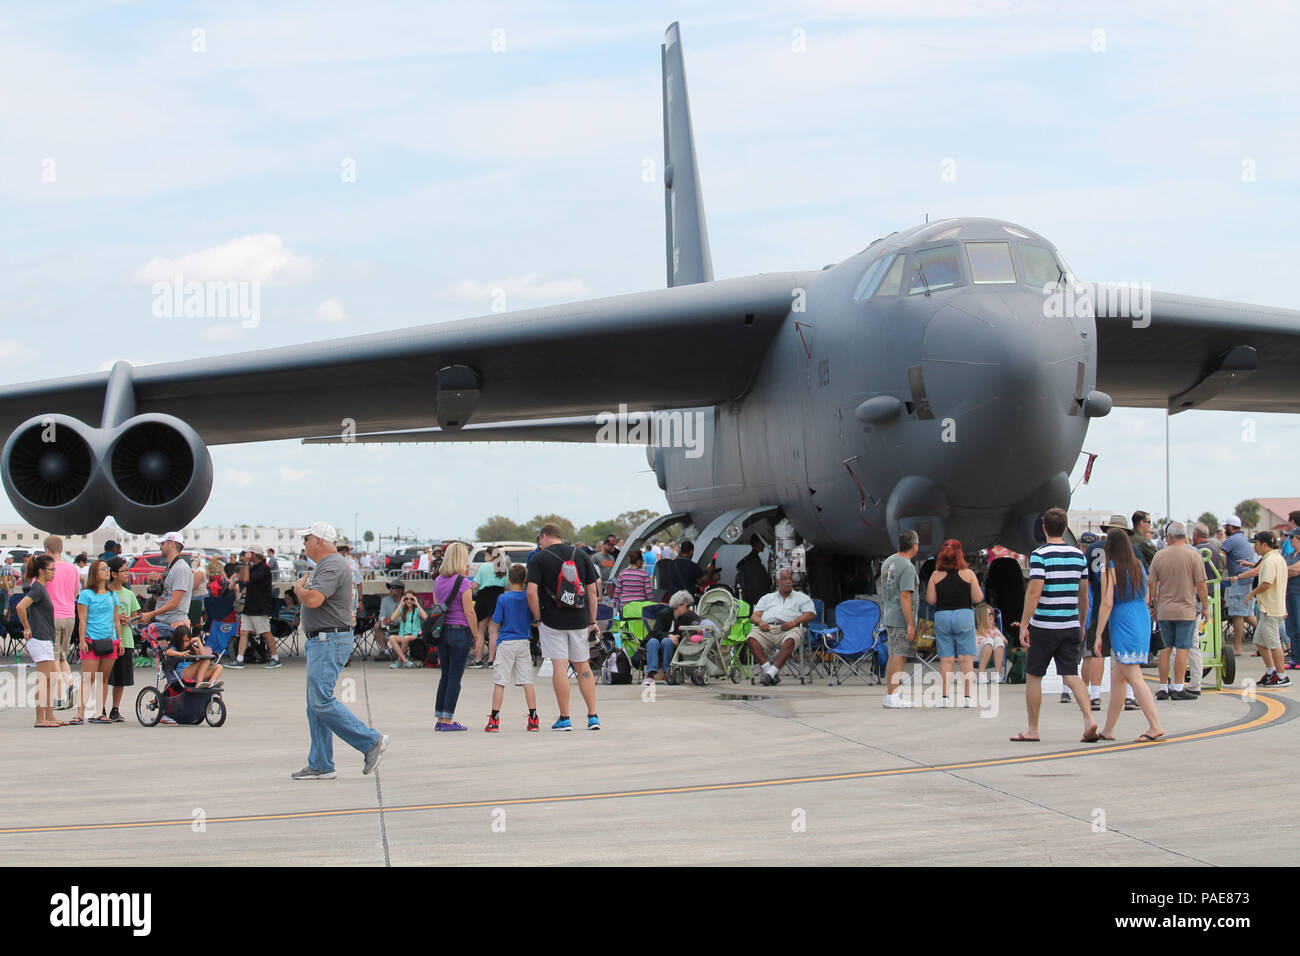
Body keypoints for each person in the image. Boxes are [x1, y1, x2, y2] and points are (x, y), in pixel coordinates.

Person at [291, 522, 388, 780]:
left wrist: (299, 589)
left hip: (328, 639)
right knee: (316, 705)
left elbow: (314, 599)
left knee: (320, 701)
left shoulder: (332, 565)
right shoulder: (329, 565)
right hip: (325, 639)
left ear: (320, 541)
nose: (304, 543)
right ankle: (322, 764)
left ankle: (370, 741)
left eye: (307, 538)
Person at [1011, 507, 1097, 742]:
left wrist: (1025, 625)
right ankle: (1089, 718)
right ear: (1064, 527)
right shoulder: (1079, 556)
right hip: (1069, 624)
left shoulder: (1040, 555)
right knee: (1071, 674)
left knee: (1034, 675)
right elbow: (1084, 596)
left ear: (1044, 528)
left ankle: (1033, 729)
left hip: (1045, 626)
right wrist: (1081, 623)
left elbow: (1034, 593)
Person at [526, 523, 601, 731]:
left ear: (543, 537)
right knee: (582, 666)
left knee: (560, 666)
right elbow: (592, 591)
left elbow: (531, 592)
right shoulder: (581, 554)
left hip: (552, 620)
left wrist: (538, 617)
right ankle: (593, 716)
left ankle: (565, 718)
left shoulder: (538, 558)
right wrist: (592, 621)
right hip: (579, 620)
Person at [1094, 528, 1164, 741]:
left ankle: (1155, 725)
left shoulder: (1110, 568)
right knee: (1119, 677)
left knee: (1133, 675)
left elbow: (1107, 603)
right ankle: (1108, 729)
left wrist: (1098, 634)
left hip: (1122, 619)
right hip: (1140, 618)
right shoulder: (1138, 567)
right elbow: (1146, 598)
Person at [1148, 522, 1209, 701]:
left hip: (1165, 610)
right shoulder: (1193, 555)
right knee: (1183, 648)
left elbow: (1151, 582)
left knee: (1166, 648)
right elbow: (1201, 584)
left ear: (1169, 537)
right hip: (1186, 609)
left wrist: (1154, 603)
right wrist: (1205, 606)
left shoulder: (1159, 556)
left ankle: (1162, 687)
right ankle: (1178, 687)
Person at [1082, 515, 1136, 713]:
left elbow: (1085, 581)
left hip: (1098, 606)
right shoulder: (1132, 550)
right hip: (1124, 608)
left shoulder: (1093, 548)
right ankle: (1129, 695)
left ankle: (1095, 695)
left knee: (1098, 653)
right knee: (1125, 653)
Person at [926, 539, 983, 706]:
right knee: (966, 659)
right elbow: (978, 598)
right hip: (964, 615)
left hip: (942, 616)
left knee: (946, 659)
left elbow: (930, 599)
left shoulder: (935, 576)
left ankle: (944, 698)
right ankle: (967, 698)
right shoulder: (969, 574)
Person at [485, 564, 539, 732]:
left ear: (509, 579)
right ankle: (533, 717)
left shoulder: (503, 598)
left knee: (500, 681)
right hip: (523, 641)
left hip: (507, 641)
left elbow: (497, 619)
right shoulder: (528, 597)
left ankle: (494, 719)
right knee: (527, 681)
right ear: (525, 580)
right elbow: (533, 618)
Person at [431, 541, 479, 731]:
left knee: (445, 675)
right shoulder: (463, 582)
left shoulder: (438, 581)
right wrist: (476, 635)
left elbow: (437, 607)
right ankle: (448, 719)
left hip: (442, 632)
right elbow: (469, 612)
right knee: (455, 678)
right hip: (460, 630)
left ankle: (440, 717)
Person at [74, 559, 123, 725]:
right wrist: (82, 640)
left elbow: (116, 619)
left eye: (108, 569)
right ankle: (80, 713)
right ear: (95, 573)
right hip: (91, 640)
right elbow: (82, 618)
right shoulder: (86, 594)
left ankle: (99, 712)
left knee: (104, 678)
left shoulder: (111, 594)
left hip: (110, 641)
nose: (107, 571)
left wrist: (120, 639)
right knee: (89, 677)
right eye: (103, 569)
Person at [17, 554, 64, 728]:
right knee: (44, 679)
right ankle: (40, 718)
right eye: (51, 569)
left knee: (51, 679)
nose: (54, 573)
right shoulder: (37, 588)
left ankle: (49, 716)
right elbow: (20, 606)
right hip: (39, 638)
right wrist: (27, 627)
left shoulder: (41, 588)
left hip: (46, 638)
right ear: (41, 571)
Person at [748, 568, 815, 686]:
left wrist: (793, 623)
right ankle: (770, 672)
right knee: (751, 638)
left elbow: (810, 614)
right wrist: (761, 623)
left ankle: (770, 674)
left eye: (790, 579)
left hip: (789, 628)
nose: (788, 581)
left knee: (791, 639)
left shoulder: (801, 597)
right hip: (767, 628)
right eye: (785, 579)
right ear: (778, 581)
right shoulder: (767, 598)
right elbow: (754, 616)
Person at [1240, 532, 1290, 687]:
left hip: (1271, 609)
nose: (1255, 547)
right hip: (1271, 607)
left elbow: (1266, 583)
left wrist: (1251, 594)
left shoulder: (1269, 562)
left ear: (1264, 544)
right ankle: (1271, 671)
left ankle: (1282, 676)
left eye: (1257, 543)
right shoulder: (1278, 558)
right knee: (1259, 641)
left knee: (1274, 644)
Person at [880, 531, 919, 708]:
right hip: (901, 617)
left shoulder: (888, 562)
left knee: (893, 654)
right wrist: (910, 623)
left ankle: (891, 693)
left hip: (889, 614)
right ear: (914, 545)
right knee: (901, 655)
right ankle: (893, 695)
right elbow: (905, 596)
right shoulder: (907, 567)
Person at [44, 535, 80, 711]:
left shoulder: (47, 569)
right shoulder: (72, 568)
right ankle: (71, 683)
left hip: (53, 617)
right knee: (62, 655)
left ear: (47, 551)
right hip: (69, 616)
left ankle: (59, 697)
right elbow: (75, 593)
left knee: (54, 658)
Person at [138, 533, 194, 648]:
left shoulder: (180, 569)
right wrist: (153, 585)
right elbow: (162, 599)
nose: (160, 547)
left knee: (176, 662)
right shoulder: (171, 567)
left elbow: (174, 602)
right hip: (165, 623)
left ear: (171, 544)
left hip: (175, 624)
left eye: (163, 543)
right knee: (164, 662)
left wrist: (151, 614)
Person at [227, 549, 280, 669]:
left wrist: (246, 564)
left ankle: (275, 657)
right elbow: (241, 578)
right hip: (250, 605)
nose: (247, 556)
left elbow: (246, 580)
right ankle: (239, 659)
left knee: (265, 632)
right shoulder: (252, 567)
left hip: (260, 606)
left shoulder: (264, 569)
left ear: (255, 555)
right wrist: (244, 565)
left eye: (250, 553)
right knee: (244, 632)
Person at [105, 557, 140, 722]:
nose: (127, 573)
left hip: (126, 640)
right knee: (105, 676)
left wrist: (127, 620)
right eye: (124, 571)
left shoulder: (129, 594)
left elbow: (135, 616)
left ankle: (115, 708)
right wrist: (115, 617)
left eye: (127, 570)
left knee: (120, 678)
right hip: (108, 639)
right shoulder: (105, 593)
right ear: (113, 574)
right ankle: (101, 708)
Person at [1221, 517, 1258, 655]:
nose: (1225, 529)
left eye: (1226, 526)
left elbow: (1220, 555)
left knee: (1238, 614)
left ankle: (1238, 647)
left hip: (1239, 580)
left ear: (1230, 527)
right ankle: (1268, 640)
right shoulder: (1243, 538)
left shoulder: (1231, 540)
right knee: (1248, 614)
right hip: (1248, 579)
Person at [469, 547, 510, 668]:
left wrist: (477, 575)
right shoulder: (503, 569)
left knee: (480, 632)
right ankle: (492, 660)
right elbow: (507, 587)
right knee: (493, 632)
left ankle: (478, 659)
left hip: (483, 599)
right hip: (498, 600)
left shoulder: (483, 567)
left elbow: (475, 586)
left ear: (488, 555)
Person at [645, 590, 696, 683]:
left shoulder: (685, 617)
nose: (688, 609)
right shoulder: (664, 613)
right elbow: (656, 631)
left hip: (670, 644)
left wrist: (675, 639)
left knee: (667, 642)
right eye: (687, 606)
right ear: (679, 605)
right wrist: (668, 636)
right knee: (653, 641)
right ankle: (650, 674)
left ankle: (667, 673)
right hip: (657, 639)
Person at [386, 588, 425, 668]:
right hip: (404, 635)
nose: (409, 601)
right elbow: (392, 619)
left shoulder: (417, 610)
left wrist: (417, 603)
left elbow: (426, 618)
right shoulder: (402, 610)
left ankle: (399, 661)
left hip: (415, 635)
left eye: (411, 599)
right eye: (406, 599)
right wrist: (400, 604)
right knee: (391, 637)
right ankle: (405, 661)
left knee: (406, 638)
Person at [734, 536, 772, 605]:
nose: (764, 545)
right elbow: (757, 584)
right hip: (754, 598)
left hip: (750, 598)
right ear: (757, 544)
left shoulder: (749, 560)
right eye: (762, 543)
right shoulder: (752, 562)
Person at [974, 603, 1007, 682]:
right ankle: (981, 675)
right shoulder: (973, 630)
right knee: (988, 641)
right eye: (989, 614)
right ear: (981, 617)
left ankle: (997, 675)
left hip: (992, 656)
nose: (992, 616)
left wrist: (996, 637)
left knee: (998, 640)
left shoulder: (994, 630)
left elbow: (1005, 642)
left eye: (992, 614)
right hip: (976, 655)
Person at [1285, 528, 1300, 670]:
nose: (1290, 540)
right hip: (1289, 594)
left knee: (1299, 626)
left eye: (1292, 538)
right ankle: (1295, 657)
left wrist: (1283, 570)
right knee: (1292, 628)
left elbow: (1296, 570)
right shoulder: (1289, 555)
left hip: (1298, 594)